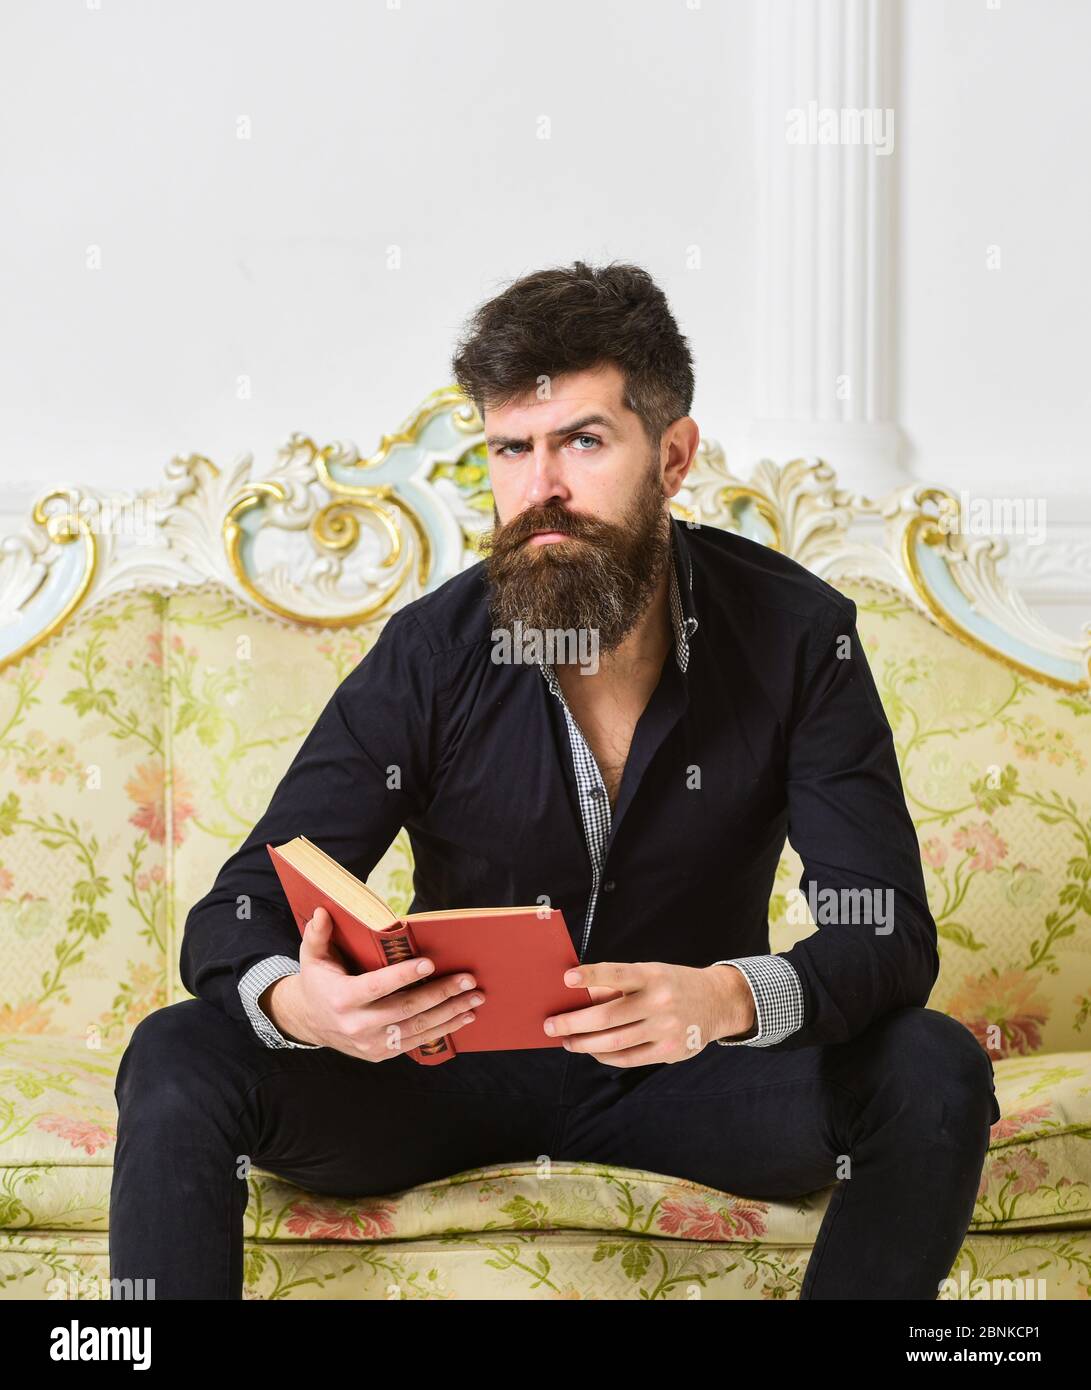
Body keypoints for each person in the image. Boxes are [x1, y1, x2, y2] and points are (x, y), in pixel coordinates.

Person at [109, 260, 1000, 1300]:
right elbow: (236, 911)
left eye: (581, 441)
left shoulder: (798, 638)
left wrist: (722, 998)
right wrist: (309, 1005)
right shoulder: (429, 650)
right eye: (509, 449)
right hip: (438, 1081)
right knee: (177, 1051)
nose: (541, 489)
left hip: (695, 1077)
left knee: (931, 1066)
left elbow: (885, 931)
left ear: (671, 456)